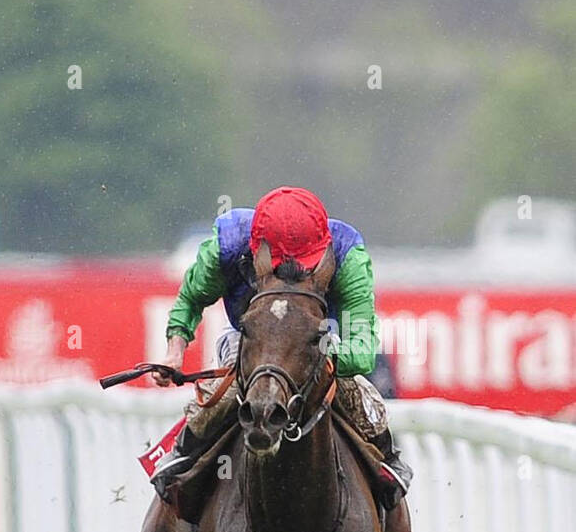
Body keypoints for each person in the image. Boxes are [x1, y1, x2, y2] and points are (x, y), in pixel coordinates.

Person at [150, 186, 411, 507]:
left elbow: (362, 352)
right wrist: (174, 352)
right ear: (255, 248)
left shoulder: (347, 256)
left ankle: (387, 465)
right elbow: (191, 298)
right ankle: (181, 457)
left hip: (322, 341)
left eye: (304, 266)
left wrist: (314, 354)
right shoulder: (226, 245)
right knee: (226, 394)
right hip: (250, 339)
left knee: (366, 403)